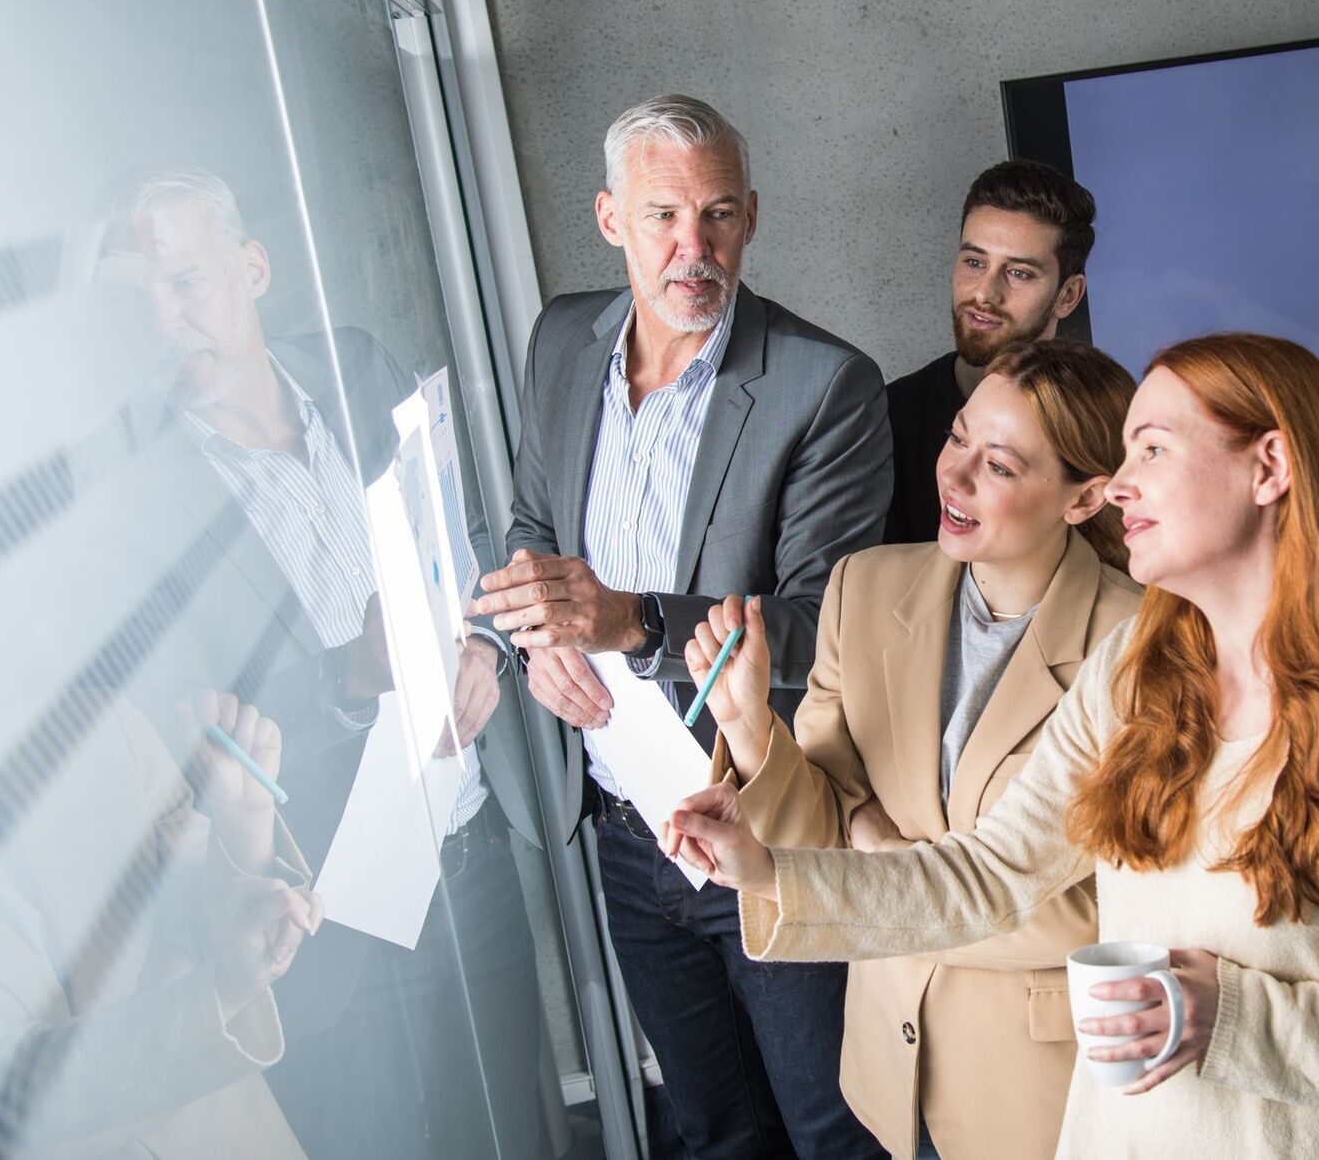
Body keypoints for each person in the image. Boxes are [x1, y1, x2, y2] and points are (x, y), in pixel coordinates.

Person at [670, 334, 1319, 1159]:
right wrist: (767, 869)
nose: (1121, 485)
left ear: (1270, 467)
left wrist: (1235, 1020)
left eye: (1153, 450)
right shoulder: (1135, 673)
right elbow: (986, 875)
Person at [90, 165, 551, 1160]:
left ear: (252, 269)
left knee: (512, 1139)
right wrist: (347, 677)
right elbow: (173, 728)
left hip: (470, 862)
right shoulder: (133, 504)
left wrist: (484, 643)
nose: (165, 321)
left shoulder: (358, 368)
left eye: (185, 282)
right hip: (320, 921)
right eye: (136, 301)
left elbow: (465, 535)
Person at [474, 94, 891, 1157]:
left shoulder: (824, 385)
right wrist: (538, 638)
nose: (691, 248)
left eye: (717, 215)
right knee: (711, 1131)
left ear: (750, 216)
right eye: (662, 216)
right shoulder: (562, 338)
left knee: (833, 1127)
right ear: (611, 217)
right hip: (625, 830)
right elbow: (532, 528)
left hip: (762, 823)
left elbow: (822, 629)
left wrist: (629, 622)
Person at [699, 339, 1142, 1159]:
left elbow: (1102, 917)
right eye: (958, 437)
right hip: (888, 1069)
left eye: (999, 465)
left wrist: (883, 851)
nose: (955, 476)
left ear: (1085, 498)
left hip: (1036, 1098)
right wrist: (751, 727)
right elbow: (823, 826)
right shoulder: (862, 587)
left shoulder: (1142, 647)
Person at [0, 692, 320, 1159]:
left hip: (229, 1138)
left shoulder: (91, 720)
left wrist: (245, 828)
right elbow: (21, 1106)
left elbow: (191, 896)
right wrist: (221, 986)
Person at [883, 160, 1094, 544]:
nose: (984, 293)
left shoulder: (1111, 431)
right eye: (974, 262)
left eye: (1019, 273)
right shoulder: (887, 420)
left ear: (1067, 295)